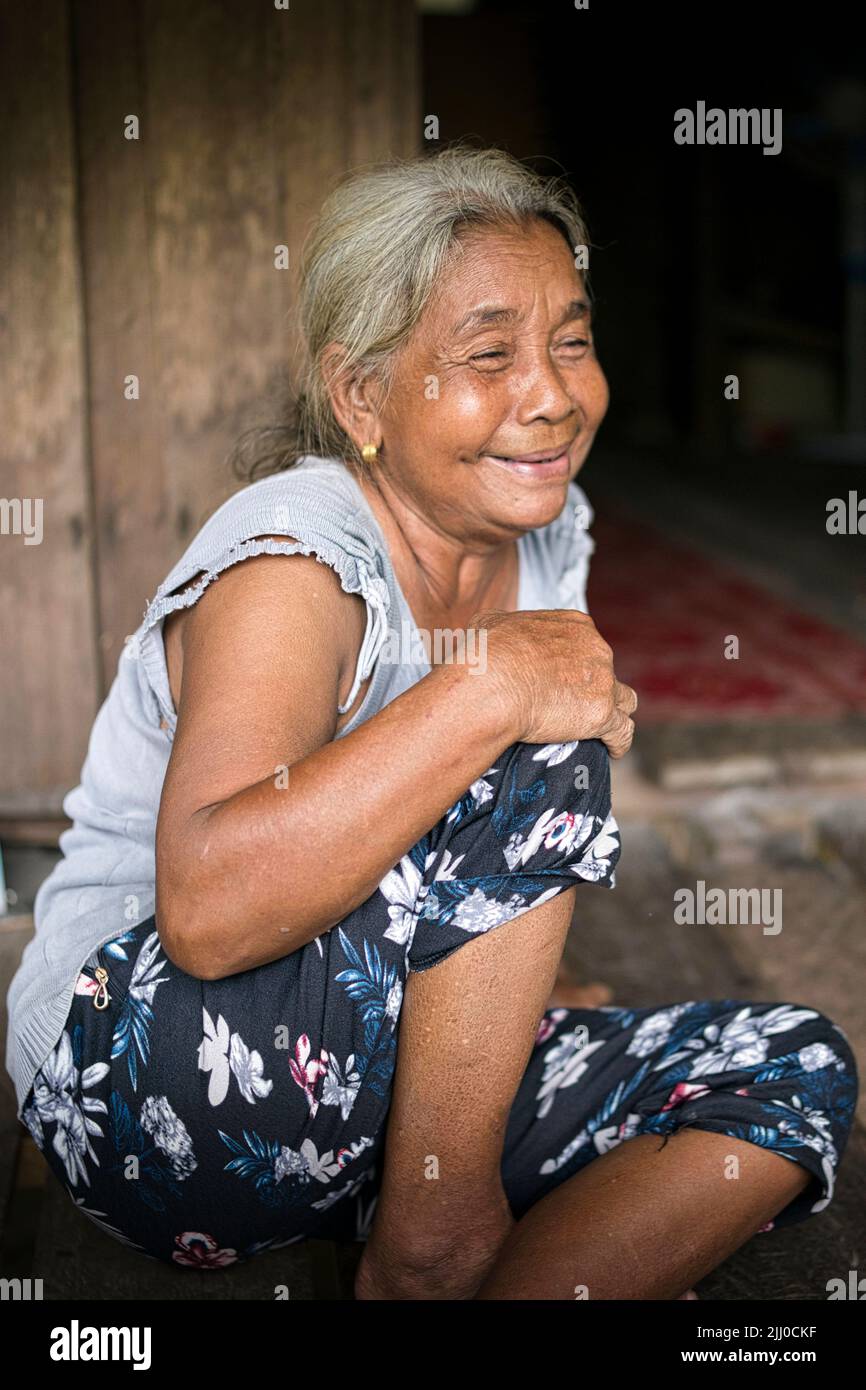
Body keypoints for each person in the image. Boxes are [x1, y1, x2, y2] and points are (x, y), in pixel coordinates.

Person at [7, 145, 857, 1300]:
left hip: (359, 1096)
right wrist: (489, 684)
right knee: (532, 726)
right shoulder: (294, 560)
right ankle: (433, 1246)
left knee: (787, 1065)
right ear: (361, 396)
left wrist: (493, 996)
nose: (552, 393)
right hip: (152, 1080)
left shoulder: (547, 529)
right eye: (490, 354)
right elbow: (206, 911)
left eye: (570, 340)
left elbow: (458, 855)